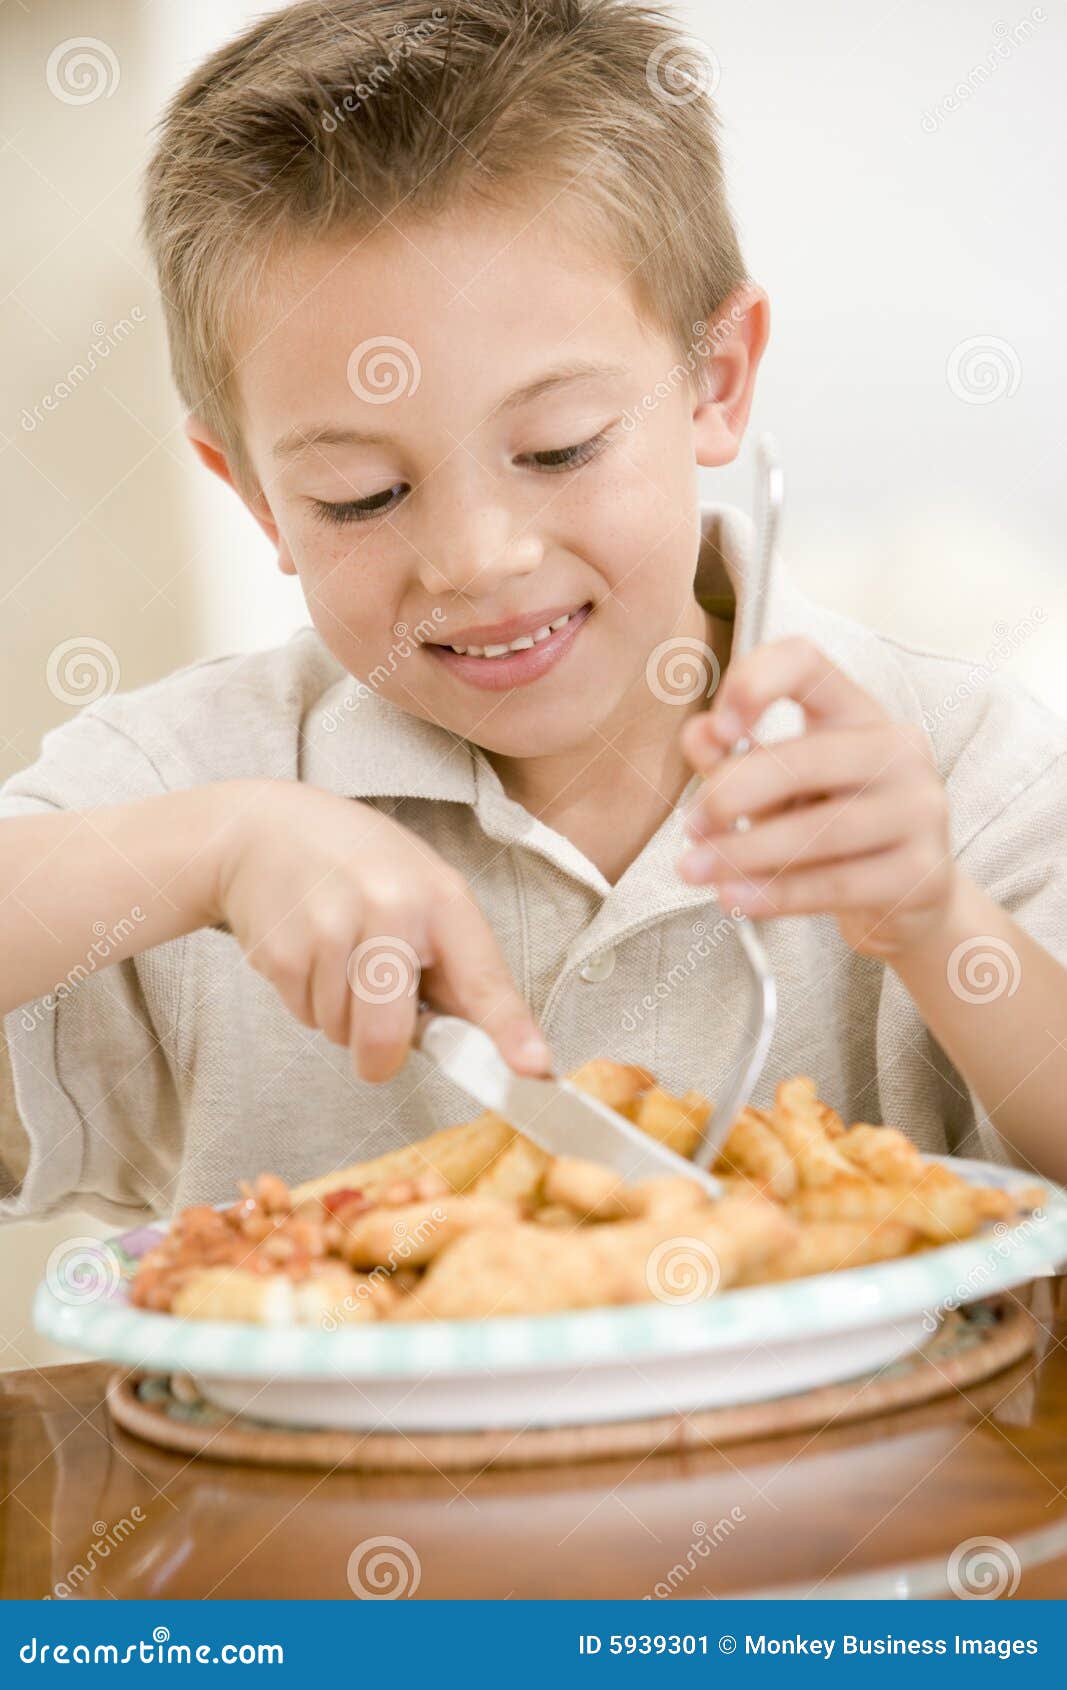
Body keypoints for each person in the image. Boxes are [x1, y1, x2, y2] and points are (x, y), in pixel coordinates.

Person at [2, 0, 1065, 1226]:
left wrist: (934, 923)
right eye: (364, 495)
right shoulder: (188, 785)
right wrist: (210, 855)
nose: (474, 557)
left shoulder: (949, 767)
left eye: (557, 449)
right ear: (253, 497)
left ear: (713, 379)